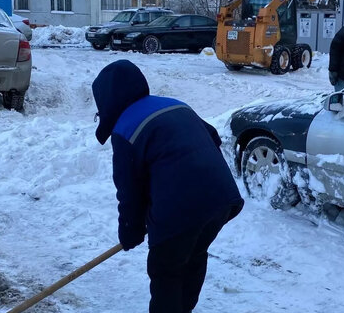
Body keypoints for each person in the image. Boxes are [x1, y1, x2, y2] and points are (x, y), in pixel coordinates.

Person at [91, 59, 244, 313]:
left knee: (166, 271)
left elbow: (129, 193)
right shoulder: (174, 105)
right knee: (193, 257)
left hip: (180, 210)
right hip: (221, 198)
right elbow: (213, 137)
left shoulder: (125, 129)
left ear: (106, 100)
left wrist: (130, 230)